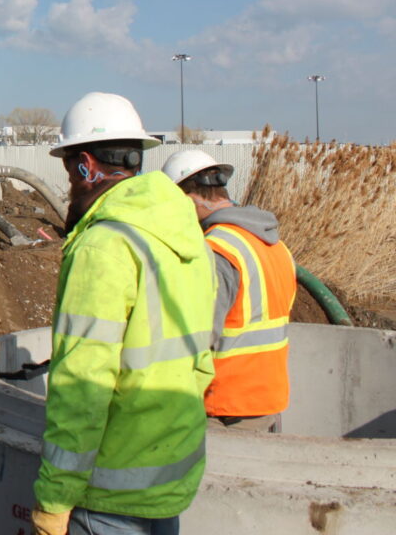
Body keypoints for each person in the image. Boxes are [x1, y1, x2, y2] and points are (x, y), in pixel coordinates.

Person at [33, 92, 216, 535]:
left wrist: (55, 498)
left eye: (68, 167)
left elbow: (83, 386)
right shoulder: (182, 233)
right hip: (166, 480)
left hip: (108, 495)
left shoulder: (104, 247)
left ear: (85, 166)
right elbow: (201, 359)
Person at [161, 150, 297, 433]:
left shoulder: (216, 250)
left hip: (223, 408)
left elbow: (197, 336)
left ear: (187, 200)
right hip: (267, 402)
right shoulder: (274, 245)